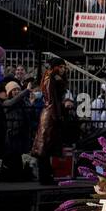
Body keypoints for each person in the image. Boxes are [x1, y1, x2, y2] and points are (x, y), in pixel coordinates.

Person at [30, 57, 67, 185]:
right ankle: (45, 176)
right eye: (61, 67)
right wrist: (57, 116)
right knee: (45, 147)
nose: (63, 69)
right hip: (51, 114)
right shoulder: (51, 78)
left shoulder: (49, 77)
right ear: (56, 67)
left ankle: (46, 176)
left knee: (46, 147)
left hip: (50, 113)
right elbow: (52, 99)